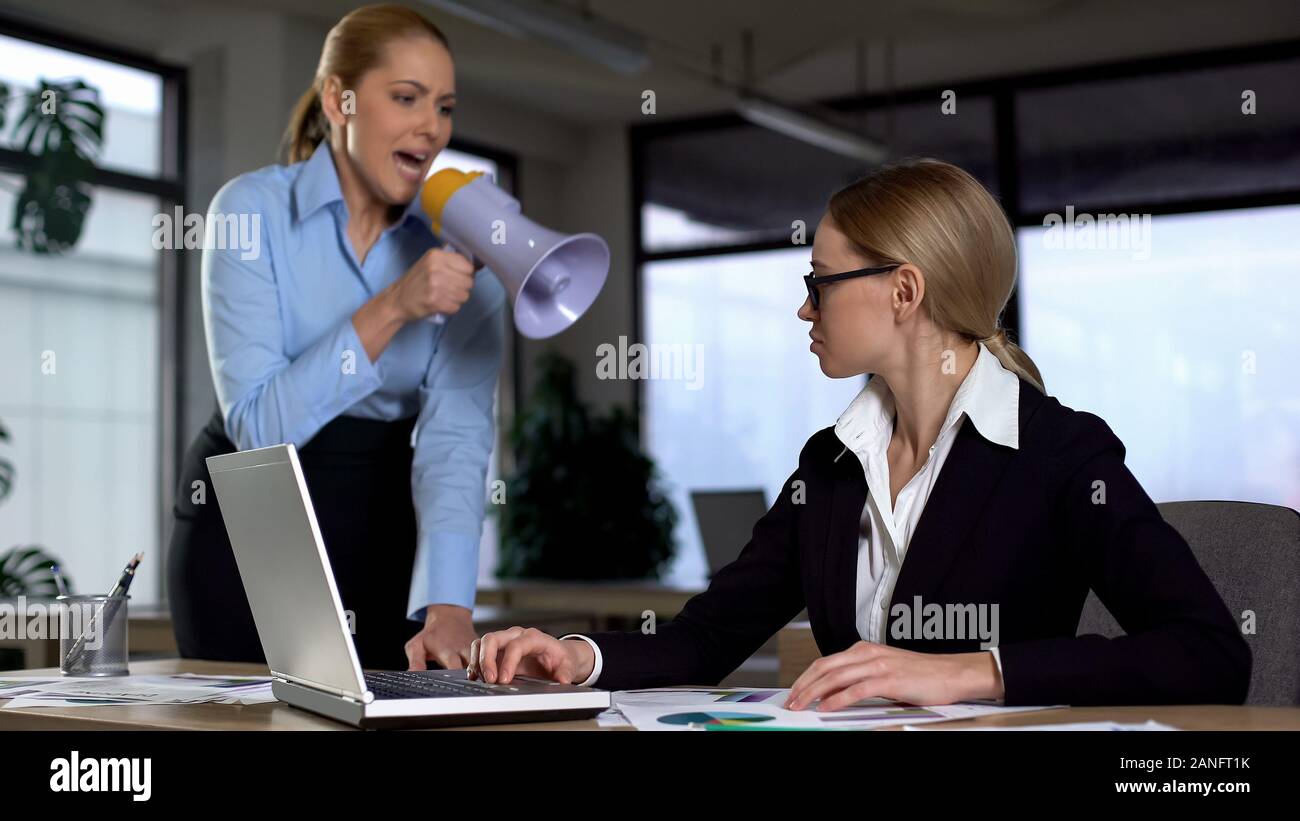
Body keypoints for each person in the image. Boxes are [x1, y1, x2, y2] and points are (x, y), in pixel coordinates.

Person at [466, 158, 1251, 709]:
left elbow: (1211, 651)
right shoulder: (831, 462)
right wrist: (579, 655)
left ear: (904, 290)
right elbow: (710, 636)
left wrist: (969, 671)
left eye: (819, 283)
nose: (804, 309)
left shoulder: (1059, 454)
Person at [168, 4, 502, 672]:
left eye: (444, 106)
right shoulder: (249, 211)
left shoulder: (466, 253)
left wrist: (449, 604)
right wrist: (397, 305)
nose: (430, 128)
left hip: (379, 525)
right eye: (406, 98)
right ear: (337, 99)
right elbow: (258, 427)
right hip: (247, 520)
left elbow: (456, 442)